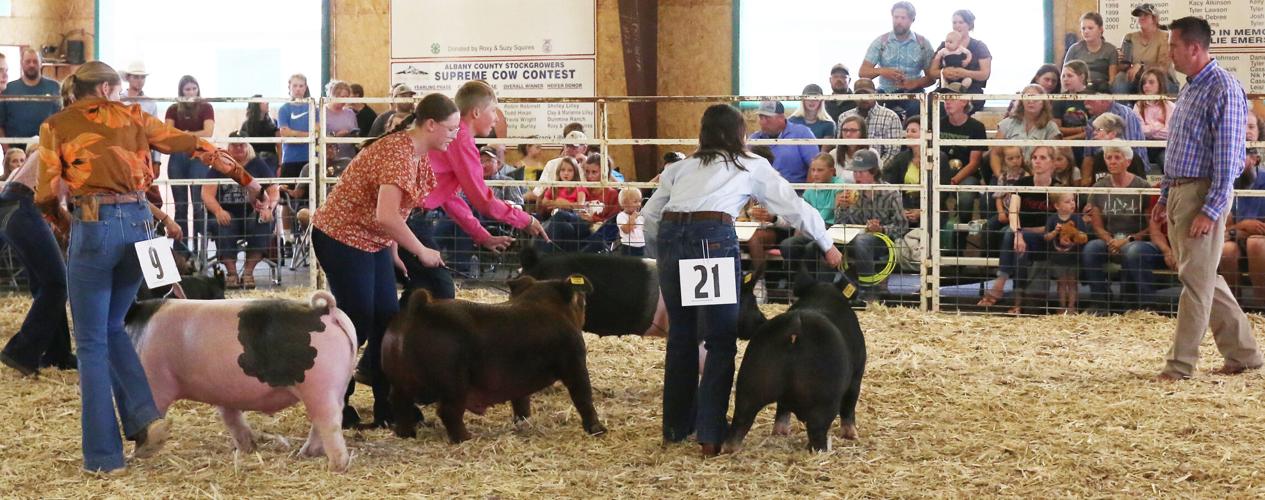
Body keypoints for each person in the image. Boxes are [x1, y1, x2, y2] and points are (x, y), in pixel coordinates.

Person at [36, 61, 263, 473]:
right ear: (106, 89)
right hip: (141, 224)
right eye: (119, 89)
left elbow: (46, 195)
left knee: (90, 342)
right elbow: (196, 145)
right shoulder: (137, 117)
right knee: (112, 325)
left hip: (94, 224)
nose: (122, 95)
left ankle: (103, 457)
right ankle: (143, 417)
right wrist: (248, 181)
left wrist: (65, 227)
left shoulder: (56, 125)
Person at [641, 103, 841, 457]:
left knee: (682, 336)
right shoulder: (749, 164)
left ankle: (675, 429)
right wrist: (827, 244)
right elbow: (792, 205)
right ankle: (710, 434)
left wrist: (663, 253)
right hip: (711, 239)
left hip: (672, 237)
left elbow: (650, 214)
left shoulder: (681, 167)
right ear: (739, 133)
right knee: (719, 339)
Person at [311, 92, 455, 428]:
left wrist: (392, 249)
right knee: (357, 318)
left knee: (387, 318)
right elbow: (386, 214)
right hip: (341, 235)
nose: (454, 135)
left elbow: (394, 210)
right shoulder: (398, 153)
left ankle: (388, 403)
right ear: (430, 124)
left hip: (372, 239)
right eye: (451, 128)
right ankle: (334, 403)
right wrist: (420, 250)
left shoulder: (415, 153)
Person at [1152, 16, 1264, 381]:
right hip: (1182, 190)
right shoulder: (1190, 88)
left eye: (1173, 46)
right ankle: (1244, 354)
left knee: (1196, 282)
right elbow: (1178, 147)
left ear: (1194, 47)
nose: (1169, 53)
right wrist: (1165, 195)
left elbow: (1229, 156)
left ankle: (1180, 365)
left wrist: (1211, 208)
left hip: (1201, 193)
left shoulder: (1223, 88)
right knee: (1200, 277)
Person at [413, 80, 547, 300]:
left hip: (411, 216)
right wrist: (525, 219)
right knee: (439, 288)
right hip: (407, 216)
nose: (496, 118)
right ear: (476, 112)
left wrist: (481, 235)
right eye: (493, 111)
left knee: (424, 287)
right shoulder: (461, 138)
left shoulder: (457, 137)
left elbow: (450, 198)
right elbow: (482, 200)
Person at [0, 145, 74, 376]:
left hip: (14, 203)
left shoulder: (64, 138)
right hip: (25, 203)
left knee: (46, 284)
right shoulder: (81, 144)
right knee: (57, 283)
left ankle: (58, 353)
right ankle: (21, 351)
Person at [977, 145, 1057, 315]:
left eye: (1043, 158)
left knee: (1012, 236)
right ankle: (1017, 301)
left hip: (1048, 237)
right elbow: (1013, 211)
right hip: (1022, 236)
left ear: (1052, 162)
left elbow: (1054, 225)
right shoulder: (1023, 183)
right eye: (1034, 158)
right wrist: (1018, 234)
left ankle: (1001, 285)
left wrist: (1023, 232)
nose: (1037, 161)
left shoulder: (1058, 188)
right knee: (1017, 243)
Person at [202, 132, 280, 289]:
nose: (238, 148)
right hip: (227, 213)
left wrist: (269, 208)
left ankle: (248, 272)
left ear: (247, 146)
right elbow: (206, 193)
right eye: (234, 145)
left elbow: (273, 190)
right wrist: (218, 210)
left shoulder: (258, 164)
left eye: (241, 145)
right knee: (223, 223)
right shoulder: (220, 164)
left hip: (252, 213)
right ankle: (232, 273)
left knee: (263, 220)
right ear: (228, 147)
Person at [1082, 145, 1155, 312]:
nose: (1112, 161)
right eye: (1109, 158)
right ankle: (1101, 301)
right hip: (1110, 238)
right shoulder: (1099, 187)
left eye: (1117, 157)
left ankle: (1144, 303)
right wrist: (1110, 241)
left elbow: (1150, 226)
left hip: (1135, 239)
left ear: (1128, 161)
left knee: (1132, 251)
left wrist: (1128, 240)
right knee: (1091, 249)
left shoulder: (1142, 185)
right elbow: (1097, 225)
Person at [832, 149, 908, 296]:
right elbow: (840, 224)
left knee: (862, 241)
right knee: (826, 241)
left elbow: (902, 226)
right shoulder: (852, 193)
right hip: (853, 240)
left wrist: (882, 229)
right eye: (855, 172)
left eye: (861, 172)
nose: (857, 176)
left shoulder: (891, 193)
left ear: (873, 172)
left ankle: (867, 289)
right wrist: (842, 208)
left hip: (882, 242)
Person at [860, 1, 935, 120]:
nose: (898, 21)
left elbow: (932, 77)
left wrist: (915, 83)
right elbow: (863, 72)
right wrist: (882, 71)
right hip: (885, 92)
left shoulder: (923, 44)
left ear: (912, 19)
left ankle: (913, 131)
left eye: (903, 18)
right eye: (896, 17)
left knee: (919, 107)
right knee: (870, 108)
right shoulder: (881, 42)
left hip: (913, 93)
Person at [164, 75, 215, 239]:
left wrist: (186, 135)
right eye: (187, 89)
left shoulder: (206, 107)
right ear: (181, 91)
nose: (191, 92)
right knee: (180, 206)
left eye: (194, 88)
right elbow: (167, 133)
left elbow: (208, 132)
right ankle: (181, 247)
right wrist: (191, 136)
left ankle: (201, 246)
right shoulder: (173, 109)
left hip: (199, 156)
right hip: (178, 156)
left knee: (198, 204)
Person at [935, 84, 985, 225]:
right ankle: (939, 228)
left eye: (952, 98)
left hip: (966, 174)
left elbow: (974, 163)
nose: (947, 102)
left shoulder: (977, 127)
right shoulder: (938, 124)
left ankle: (961, 232)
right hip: (941, 173)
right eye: (946, 98)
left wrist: (954, 180)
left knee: (965, 198)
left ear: (964, 101)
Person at [991, 84, 1061, 180]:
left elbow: (1054, 156)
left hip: (1037, 177)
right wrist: (1000, 176)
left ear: (1043, 102)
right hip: (1008, 176)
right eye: (1027, 98)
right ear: (1022, 101)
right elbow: (995, 154)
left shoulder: (1051, 127)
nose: (1031, 101)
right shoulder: (1007, 123)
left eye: (1035, 98)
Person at [0, 48, 61, 148]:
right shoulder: (8, 89)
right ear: (22, 63)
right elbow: (0, 124)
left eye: (35, 61)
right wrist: (7, 150)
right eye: (28, 61)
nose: (31, 65)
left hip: (47, 148)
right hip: (16, 151)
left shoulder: (54, 87)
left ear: (41, 63)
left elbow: (61, 120)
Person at [1113, 3, 1177, 95]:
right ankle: (1122, 104)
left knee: (1155, 81)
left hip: (1161, 77)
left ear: (1154, 19)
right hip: (1137, 77)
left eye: (1146, 15)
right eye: (1140, 16)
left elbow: (1163, 67)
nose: (1142, 18)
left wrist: (1141, 66)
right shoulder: (1130, 37)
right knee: (1120, 80)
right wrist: (1119, 60)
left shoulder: (1165, 37)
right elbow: (1124, 65)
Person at [749, 100, 817, 183]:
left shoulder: (802, 134)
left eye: (767, 118)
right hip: (762, 189)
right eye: (761, 117)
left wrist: (808, 190)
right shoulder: (755, 139)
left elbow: (814, 165)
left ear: (781, 118)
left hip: (795, 189)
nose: (762, 122)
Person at [839, 78, 903, 163]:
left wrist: (876, 169)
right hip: (849, 166)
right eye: (859, 94)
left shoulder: (891, 117)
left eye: (866, 93)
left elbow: (893, 152)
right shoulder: (844, 117)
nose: (863, 98)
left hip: (880, 168)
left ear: (875, 93)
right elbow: (841, 148)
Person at [120, 61, 162, 190]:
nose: (140, 81)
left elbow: (156, 132)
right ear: (128, 78)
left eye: (142, 77)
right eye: (136, 77)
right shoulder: (118, 100)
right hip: (122, 151)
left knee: (147, 190)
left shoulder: (150, 103)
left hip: (143, 153)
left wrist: (157, 161)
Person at [1044, 193, 1089, 314]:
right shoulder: (1052, 219)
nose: (1072, 203)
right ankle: (1062, 306)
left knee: (1073, 283)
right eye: (1067, 202)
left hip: (1074, 258)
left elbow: (1084, 237)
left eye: (1073, 200)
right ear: (1057, 206)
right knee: (1061, 283)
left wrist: (1077, 234)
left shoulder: (1077, 219)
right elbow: (1046, 237)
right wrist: (1055, 232)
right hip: (1058, 259)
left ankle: (1072, 307)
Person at [931, 10, 992, 97]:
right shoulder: (944, 45)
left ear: (969, 25)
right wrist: (943, 72)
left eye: (961, 22)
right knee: (930, 101)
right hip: (946, 88)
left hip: (971, 90)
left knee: (959, 101)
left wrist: (965, 73)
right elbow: (932, 72)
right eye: (954, 23)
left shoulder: (979, 46)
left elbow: (985, 74)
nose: (957, 26)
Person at [1082, 94, 1149, 169]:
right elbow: (1088, 155)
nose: (1085, 102)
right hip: (1104, 166)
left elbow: (1128, 151)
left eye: (1090, 99)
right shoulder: (1091, 122)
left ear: (1104, 100)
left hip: (1131, 167)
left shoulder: (1126, 114)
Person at [1080, 112, 1149, 183]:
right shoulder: (1099, 158)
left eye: (1099, 130)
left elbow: (1142, 186)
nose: (1094, 133)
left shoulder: (1132, 158)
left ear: (1112, 134)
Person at [1064, 12, 1119, 92]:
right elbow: (1065, 75)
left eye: (1090, 28)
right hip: (1078, 90)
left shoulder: (1110, 50)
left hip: (1101, 90)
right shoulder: (1074, 49)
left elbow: (1112, 79)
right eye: (1083, 28)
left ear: (1101, 29)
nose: (1086, 31)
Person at [530, 129, 589, 200]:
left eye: (574, 147)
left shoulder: (589, 166)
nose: (568, 149)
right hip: (552, 203)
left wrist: (586, 167)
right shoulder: (552, 164)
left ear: (584, 149)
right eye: (567, 146)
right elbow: (539, 192)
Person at [277, 73, 313, 186]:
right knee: (286, 193)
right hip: (290, 159)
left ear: (305, 87)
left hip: (310, 158)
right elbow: (284, 133)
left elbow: (316, 130)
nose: (298, 89)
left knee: (310, 194)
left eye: (301, 86)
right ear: (289, 87)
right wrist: (308, 135)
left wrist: (294, 134)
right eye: (295, 85)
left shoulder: (313, 108)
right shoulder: (284, 109)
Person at [1135, 68, 1175, 165]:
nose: (1146, 86)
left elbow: (1169, 132)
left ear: (1160, 84)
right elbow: (1138, 131)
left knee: (1166, 160)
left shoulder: (1170, 106)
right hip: (1144, 146)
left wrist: (1149, 130)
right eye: (1144, 83)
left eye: (1151, 82)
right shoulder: (1138, 106)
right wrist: (1158, 125)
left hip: (1163, 146)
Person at [324, 80, 359, 167]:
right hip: (330, 159)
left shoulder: (350, 113)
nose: (344, 100)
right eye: (342, 97)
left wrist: (354, 136)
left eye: (347, 97)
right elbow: (318, 136)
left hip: (349, 157)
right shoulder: (322, 112)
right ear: (333, 95)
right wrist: (336, 135)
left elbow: (355, 131)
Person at [1053, 60, 1091, 141]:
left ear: (1082, 77)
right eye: (1063, 76)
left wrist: (1068, 139)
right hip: (1064, 144)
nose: (1065, 79)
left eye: (1069, 76)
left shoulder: (1092, 97)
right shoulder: (1059, 99)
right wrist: (1081, 129)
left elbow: (1096, 129)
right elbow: (1056, 129)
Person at [239, 96, 280, 168]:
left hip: (270, 160)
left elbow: (279, 146)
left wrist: (280, 164)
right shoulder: (246, 125)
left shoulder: (273, 123)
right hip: (253, 161)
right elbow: (243, 147)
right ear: (256, 105)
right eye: (263, 102)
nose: (267, 103)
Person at [832, 115, 871, 182]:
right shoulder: (833, 154)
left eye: (853, 130)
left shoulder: (871, 154)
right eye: (845, 130)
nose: (848, 134)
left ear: (862, 133)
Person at [616, 187, 645, 256]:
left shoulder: (639, 216)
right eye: (635, 202)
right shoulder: (621, 216)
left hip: (641, 246)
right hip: (628, 247)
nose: (639, 204)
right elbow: (626, 230)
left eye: (640, 201)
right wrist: (632, 218)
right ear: (624, 203)